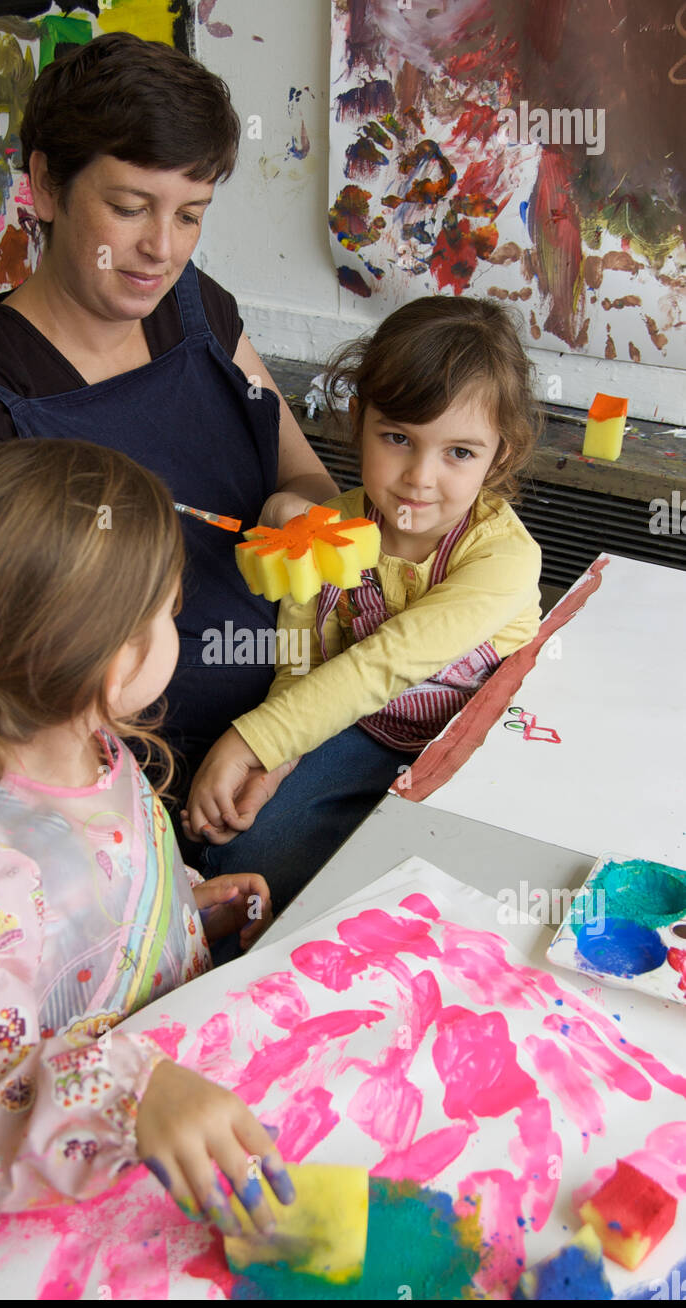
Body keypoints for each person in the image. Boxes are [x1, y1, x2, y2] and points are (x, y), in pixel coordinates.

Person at [0, 30, 335, 812]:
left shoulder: (195, 307)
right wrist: (16, 659)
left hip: (293, 716)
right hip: (130, 799)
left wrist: (293, 513)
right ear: (44, 185)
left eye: (191, 215)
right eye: (129, 208)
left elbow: (308, 479)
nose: (160, 250)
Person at [0, 438, 294, 1248]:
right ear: (117, 669)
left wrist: (180, 908)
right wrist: (128, 1095)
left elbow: (90, 883)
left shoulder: (84, 747)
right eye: (170, 612)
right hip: (22, 1223)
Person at [183, 296, 544, 913]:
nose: (420, 478)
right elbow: (300, 658)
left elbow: (386, 664)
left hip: (476, 748)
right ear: (359, 419)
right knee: (243, 858)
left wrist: (248, 743)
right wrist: (276, 762)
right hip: (364, 730)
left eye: (459, 452)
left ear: (499, 454)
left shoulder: (503, 559)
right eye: (398, 438)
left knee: (462, 887)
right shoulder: (327, 529)